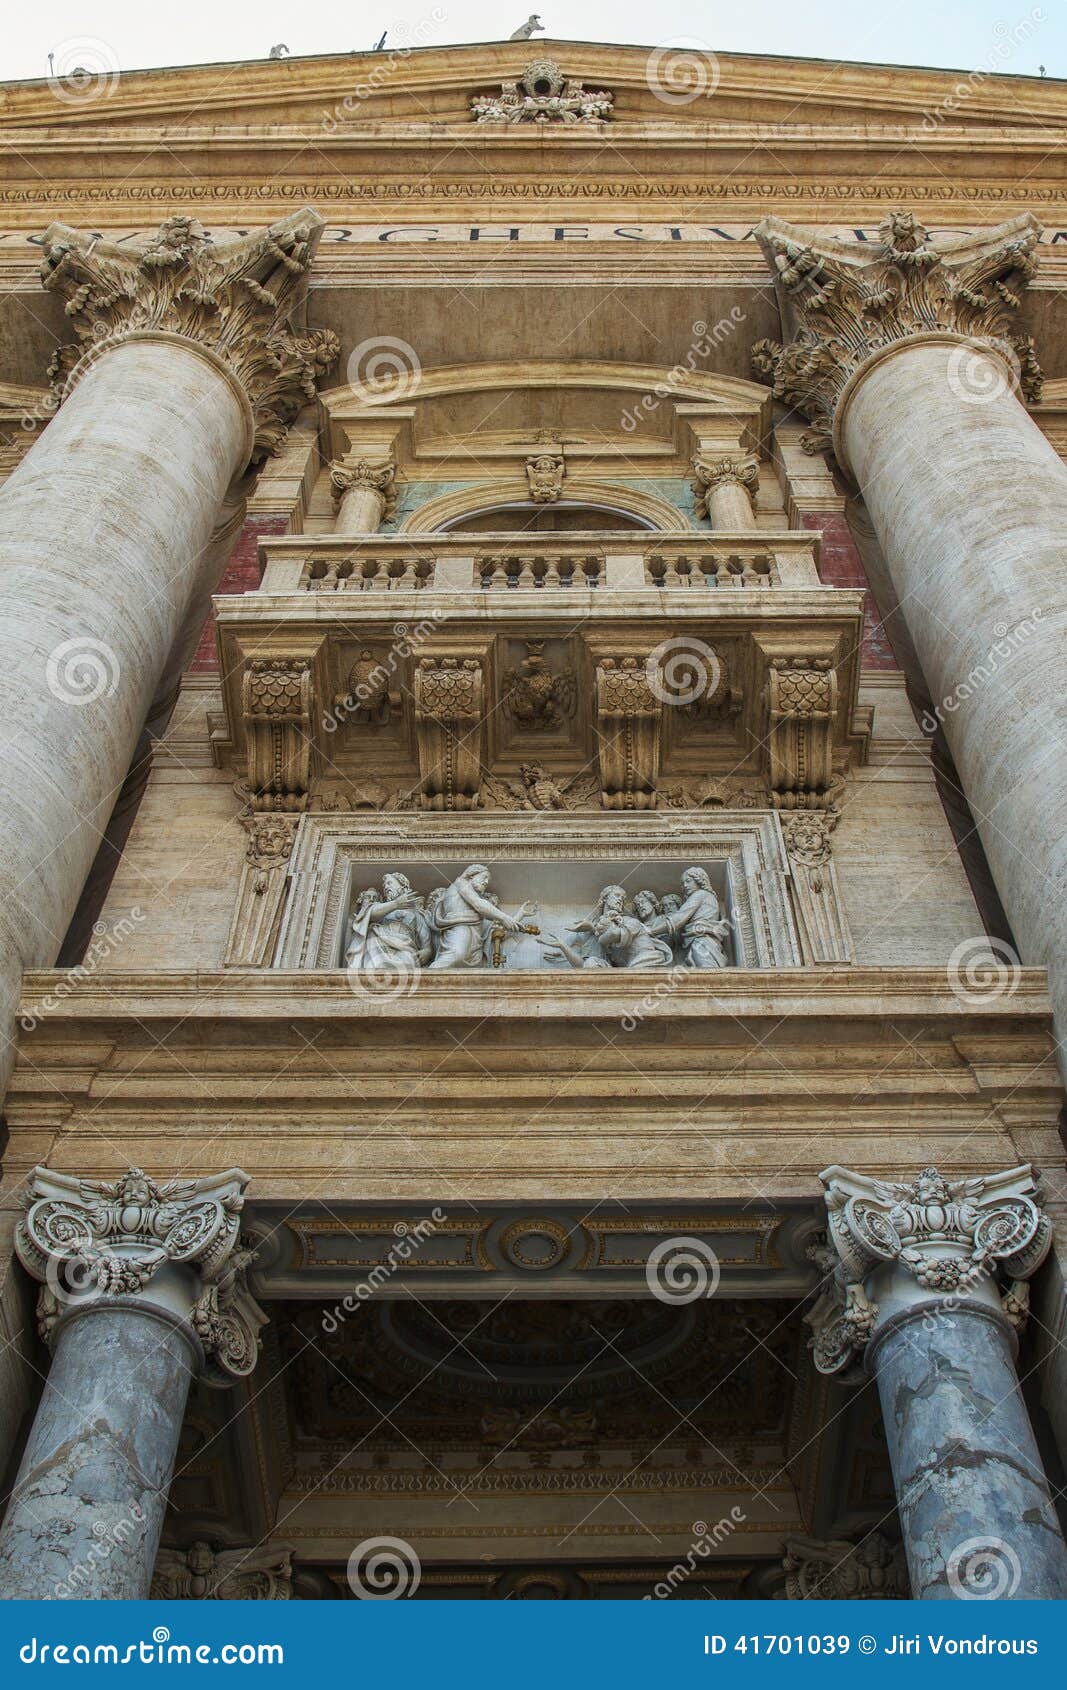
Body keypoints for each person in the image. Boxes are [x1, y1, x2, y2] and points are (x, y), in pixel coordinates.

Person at [428, 864, 534, 969]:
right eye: (484, 877)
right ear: (471, 876)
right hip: (460, 929)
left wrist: (519, 915)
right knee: (455, 956)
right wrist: (504, 917)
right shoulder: (461, 883)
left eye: (488, 880)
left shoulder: (476, 915)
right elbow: (478, 904)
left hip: (474, 939)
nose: (486, 882)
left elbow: (497, 932)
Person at [567, 884, 673, 970]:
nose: (620, 900)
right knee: (591, 962)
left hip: (645, 960)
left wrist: (593, 929)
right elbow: (586, 962)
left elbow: (611, 935)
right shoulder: (597, 925)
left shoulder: (628, 921)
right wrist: (563, 946)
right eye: (617, 896)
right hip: (623, 966)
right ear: (605, 899)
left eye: (622, 899)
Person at [345, 873, 432, 974]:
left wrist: (427, 951)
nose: (386, 887)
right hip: (377, 951)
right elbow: (369, 913)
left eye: (389, 883)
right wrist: (395, 904)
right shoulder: (382, 908)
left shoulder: (416, 913)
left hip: (405, 952)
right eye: (384, 885)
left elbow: (425, 939)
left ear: (402, 886)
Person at [650, 867, 730, 968]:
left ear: (699, 880)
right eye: (683, 883)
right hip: (699, 940)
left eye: (688, 881)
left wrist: (651, 931)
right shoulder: (709, 897)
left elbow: (678, 919)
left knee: (708, 973)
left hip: (702, 941)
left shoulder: (700, 894)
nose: (685, 886)